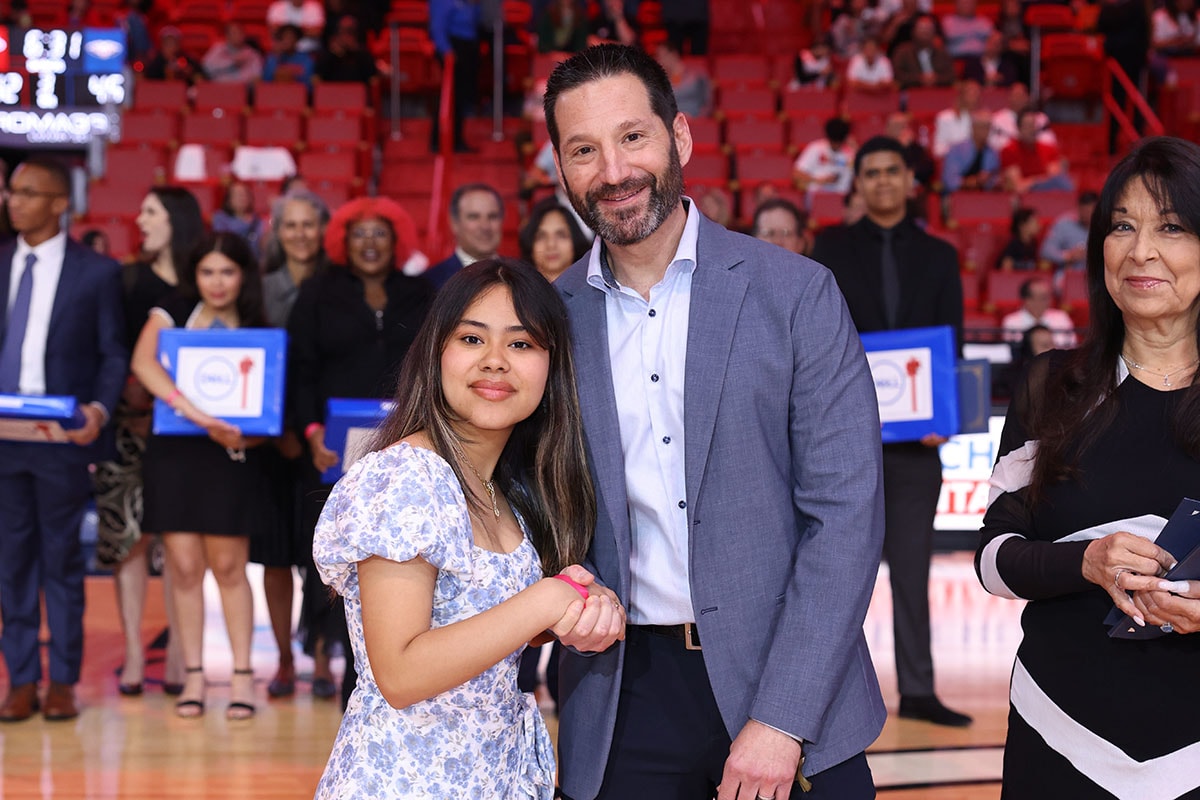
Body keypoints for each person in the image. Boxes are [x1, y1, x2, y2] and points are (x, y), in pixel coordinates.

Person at [545, 42, 886, 799]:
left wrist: (782, 719)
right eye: (583, 150)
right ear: (561, 170)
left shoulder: (797, 295)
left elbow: (846, 517)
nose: (613, 172)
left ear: (681, 138)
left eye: (633, 137)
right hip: (620, 695)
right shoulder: (546, 320)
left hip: (793, 680)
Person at [312, 258, 605, 797]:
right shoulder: (406, 476)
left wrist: (581, 602)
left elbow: (480, 622)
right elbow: (400, 674)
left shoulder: (508, 489)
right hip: (405, 780)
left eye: (521, 345)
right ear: (437, 353)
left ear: (551, 365)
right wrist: (545, 601)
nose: (495, 362)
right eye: (472, 339)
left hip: (493, 774)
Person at [975, 135, 1200, 797]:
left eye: (1173, 227)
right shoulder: (1051, 386)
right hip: (1059, 734)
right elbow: (993, 555)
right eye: (1122, 226)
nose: (1141, 251)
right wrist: (1087, 561)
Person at [812, 136, 973, 729]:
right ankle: (824, 695)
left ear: (910, 179)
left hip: (915, 447)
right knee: (834, 576)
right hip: (841, 446)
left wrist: (942, 416)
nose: (880, 181)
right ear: (857, 183)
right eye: (870, 172)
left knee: (913, 570)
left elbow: (948, 344)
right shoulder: (828, 248)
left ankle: (921, 690)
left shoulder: (940, 255)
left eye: (890, 171)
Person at [289, 197, 436, 707]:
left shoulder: (419, 293)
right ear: (342, 242)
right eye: (360, 234)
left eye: (380, 234)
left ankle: (388, 665)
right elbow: (301, 369)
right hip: (333, 453)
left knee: (392, 557)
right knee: (334, 562)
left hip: (405, 448)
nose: (370, 243)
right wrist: (310, 430)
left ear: (396, 241)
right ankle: (329, 656)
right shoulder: (316, 294)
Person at [0, 157, 126, 722]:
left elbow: (112, 353)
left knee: (61, 562)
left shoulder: (96, 272)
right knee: (11, 562)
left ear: (59, 203)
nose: (13, 200)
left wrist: (99, 410)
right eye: (11, 191)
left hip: (61, 441)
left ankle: (63, 682)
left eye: (27, 192)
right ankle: (22, 679)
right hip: (3, 439)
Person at [132, 233, 272, 721]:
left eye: (227, 272)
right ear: (195, 275)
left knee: (230, 568)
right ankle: (193, 674)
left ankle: (241, 677)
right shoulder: (171, 313)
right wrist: (192, 412)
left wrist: (244, 438)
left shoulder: (259, 325)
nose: (217, 283)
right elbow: (143, 363)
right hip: (174, 455)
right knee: (185, 568)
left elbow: (268, 412)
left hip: (227, 461)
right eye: (208, 272)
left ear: (243, 275)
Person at [92, 187, 205, 699]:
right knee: (130, 540)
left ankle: (183, 653)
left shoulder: (204, 279)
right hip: (131, 427)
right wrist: (131, 403)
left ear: (177, 220)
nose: (139, 218)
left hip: (186, 432)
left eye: (151, 211)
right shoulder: (129, 278)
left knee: (182, 545)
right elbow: (113, 349)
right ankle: (135, 654)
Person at [255, 188, 330, 700]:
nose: (300, 234)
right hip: (269, 444)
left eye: (309, 224)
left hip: (323, 442)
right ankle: (283, 659)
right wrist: (277, 430)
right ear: (277, 234)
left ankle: (323, 657)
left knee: (322, 559)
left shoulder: (337, 286)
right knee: (277, 556)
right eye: (290, 226)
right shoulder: (259, 289)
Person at [423, 184, 504, 289]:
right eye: (474, 217)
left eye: (492, 216)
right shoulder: (429, 284)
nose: (485, 226)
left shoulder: (521, 277)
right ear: (454, 223)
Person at [430, 0, 483, 153]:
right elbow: (437, 27)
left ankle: (457, 140)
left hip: (468, 46)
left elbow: (475, 19)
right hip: (453, 48)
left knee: (461, 97)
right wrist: (446, 50)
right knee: (449, 96)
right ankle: (438, 140)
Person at [1001, 108, 1073, 194]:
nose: (1032, 129)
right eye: (1028, 126)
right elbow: (1017, 186)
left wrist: (1035, 180)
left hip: (1047, 193)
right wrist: (1036, 180)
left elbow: (1055, 176)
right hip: (1027, 195)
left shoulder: (1048, 148)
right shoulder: (1009, 150)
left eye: (1034, 125)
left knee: (1062, 181)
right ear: (1019, 128)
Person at [518, 197, 589, 283]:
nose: (551, 244)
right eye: (541, 236)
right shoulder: (516, 293)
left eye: (561, 235)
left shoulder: (595, 292)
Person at [1000, 276, 1077, 348]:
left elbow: (1071, 346)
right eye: (1043, 297)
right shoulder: (1011, 322)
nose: (1048, 301)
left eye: (1049, 297)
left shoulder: (1061, 317)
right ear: (1027, 300)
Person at [793, 117, 856, 196]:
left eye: (838, 142)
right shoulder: (815, 148)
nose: (836, 145)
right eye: (833, 141)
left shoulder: (852, 152)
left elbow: (861, 176)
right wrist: (820, 180)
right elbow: (797, 174)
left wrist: (856, 149)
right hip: (817, 196)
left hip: (842, 198)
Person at [941, 110, 1002, 192]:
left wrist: (988, 181)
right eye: (982, 127)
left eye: (988, 127)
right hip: (958, 197)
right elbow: (949, 181)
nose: (986, 131)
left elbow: (994, 180)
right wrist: (969, 182)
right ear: (973, 128)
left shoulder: (992, 153)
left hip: (983, 198)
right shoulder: (956, 150)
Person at [1040, 190, 1098, 274]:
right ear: (1078, 208)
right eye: (1084, 211)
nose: (1087, 215)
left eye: (1090, 211)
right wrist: (1068, 256)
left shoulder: (1105, 226)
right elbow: (1046, 251)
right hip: (1068, 273)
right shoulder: (1064, 224)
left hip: (1097, 276)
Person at [892, 14, 956, 88]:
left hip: (939, 93)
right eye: (921, 28)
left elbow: (951, 75)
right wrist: (919, 79)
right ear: (913, 31)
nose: (925, 32)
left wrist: (937, 79)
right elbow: (897, 75)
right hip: (912, 92)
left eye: (928, 29)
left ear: (934, 32)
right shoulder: (902, 52)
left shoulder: (942, 53)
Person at [655, 39, 712, 118]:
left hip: (696, 122)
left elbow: (707, 103)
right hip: (672, 125)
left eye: (661, 56)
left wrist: (697, 118)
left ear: (673, 54)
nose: (659, 61)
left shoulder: (697, 75)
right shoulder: (660, 82)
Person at [314, 15, 377, 85]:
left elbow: (373, 80)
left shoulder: (363, 56)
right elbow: (316, 79)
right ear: (338, 33)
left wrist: (356, 52)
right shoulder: (328, 55)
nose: (347, 35)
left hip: (357, 94)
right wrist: (334, 54)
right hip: (332, 94)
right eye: (343, 31)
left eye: (350, 31)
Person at [933, 79, 982, 158]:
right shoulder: (945, 118)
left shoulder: (982, 120)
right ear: (961, 95)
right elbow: (938, 149)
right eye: (969, 92)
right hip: (954, 161)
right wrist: (958, 150)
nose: (973, 96)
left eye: (975, 93)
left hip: (977, 162)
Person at [212, 181, 265, 255]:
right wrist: (246, 223)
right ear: (228, 200)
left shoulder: (257, 220)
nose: (242, 198)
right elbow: (222, 241)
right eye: (238, 195)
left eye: (245, 194)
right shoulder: (220, 218)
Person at [996, 206, 1041, 272]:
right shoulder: (1014, 245)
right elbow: (1006, 266)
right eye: (1034, 222)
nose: (1038, 225)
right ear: (1022, 226)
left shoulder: (1034, 244)